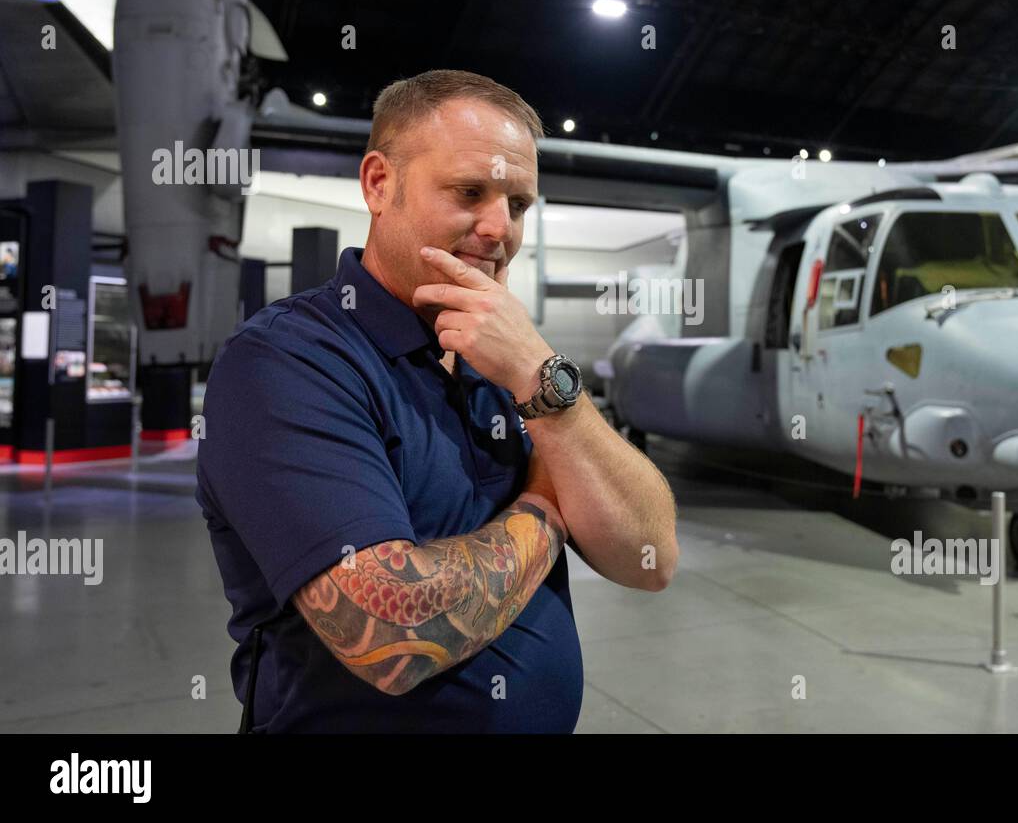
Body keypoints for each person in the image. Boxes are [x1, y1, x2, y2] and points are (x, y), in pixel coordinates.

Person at [196, 69, 678, 732]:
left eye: (518, 205)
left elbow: (650, 558)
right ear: (378, 184)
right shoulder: (286, 361)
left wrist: (547, 388)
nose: (498, 228)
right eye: (470, 192)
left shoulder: (512, 361)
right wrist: (544, 504)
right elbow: (392, 633)